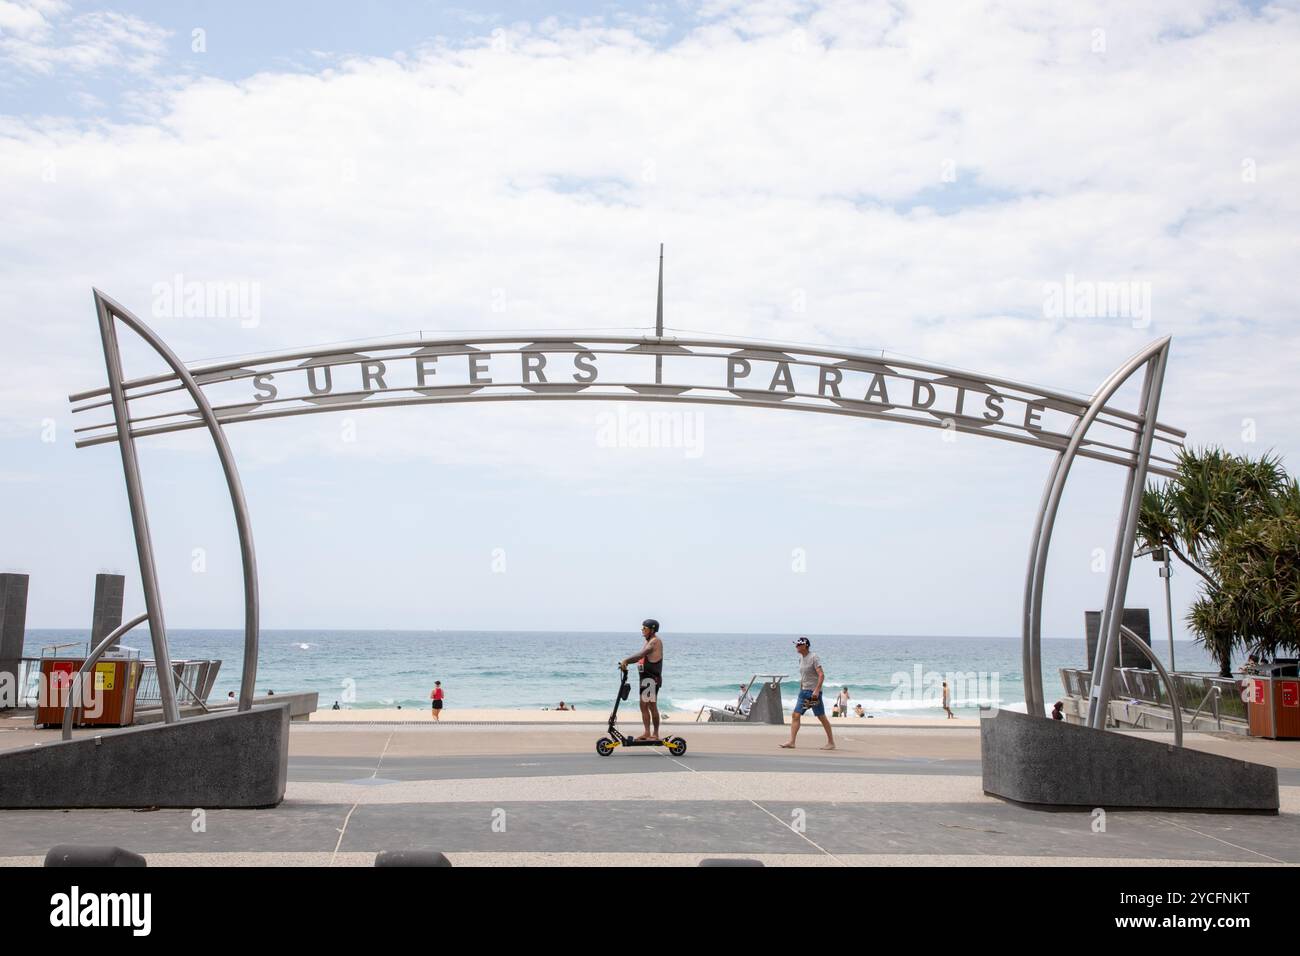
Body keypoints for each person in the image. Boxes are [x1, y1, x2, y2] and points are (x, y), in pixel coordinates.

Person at [781, 637, 835, 750]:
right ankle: (792, 742)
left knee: (821, 717)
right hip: (804, 692)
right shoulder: (800, 658)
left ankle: (831, 742)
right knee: (795, 715)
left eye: (798, 645)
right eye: (796, 645)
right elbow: (803, 676)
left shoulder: (814, 657)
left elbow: (821, 675)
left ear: (805, 645)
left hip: (813, 693)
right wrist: (801, 689)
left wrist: (816, 690)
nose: (796, 647)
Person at [618, 618, 664, 741]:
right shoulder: (649, 641)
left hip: (651, 679)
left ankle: (655, 734)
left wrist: (626, 661)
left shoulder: (655, 642)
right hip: (645, 679)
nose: (642, 630)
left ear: (652, 629)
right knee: (643, 706)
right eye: (642, 628)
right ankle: (647, 732)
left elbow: (641, 654)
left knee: (651, 706)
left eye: (645, 628)